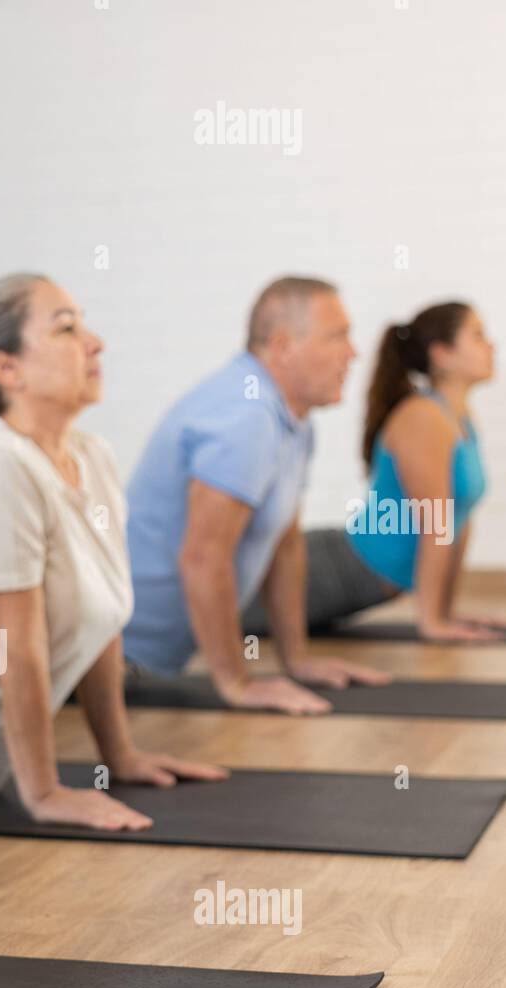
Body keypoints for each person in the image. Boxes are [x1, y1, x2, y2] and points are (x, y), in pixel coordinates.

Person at [0, 273, 227, 833]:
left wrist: (117, 756)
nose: (95, 342)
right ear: (7, 368)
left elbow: (100, 622)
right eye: (68, 328)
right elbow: (17, 649)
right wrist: (45, 792)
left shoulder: (91, 458)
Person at [122, 276, 390, 714]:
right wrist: (237, 683)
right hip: (108, 663)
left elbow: (283, 544)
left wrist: (296, 659)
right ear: (283, 346)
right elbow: (203, 558)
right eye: (337, 336)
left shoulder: (291, 417)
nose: (353, 352)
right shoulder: (246, 416)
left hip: (151, 665)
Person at [344, 302, 499, 641]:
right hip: (338, 570)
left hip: (371, 580)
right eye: (477, 336)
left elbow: (460, 518)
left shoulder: (460, 419)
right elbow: (436, 522)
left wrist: (447, 612)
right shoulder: (423, 417)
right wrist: (432, 623)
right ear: (442, 354)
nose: (492, 345)